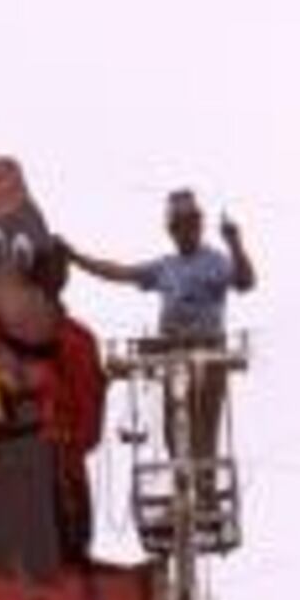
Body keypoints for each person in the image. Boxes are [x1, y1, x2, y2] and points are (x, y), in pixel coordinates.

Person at [64, 190, 256, 470]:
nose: (184, 231)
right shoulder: (166, 267)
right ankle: (182, 480)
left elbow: (245, 282)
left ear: (199, 226)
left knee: (203, 433)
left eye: (190, 224)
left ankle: (204, 486)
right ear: (172, 231)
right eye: (178, 226)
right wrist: (77, 259)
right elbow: (121, 272)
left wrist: (235, 244)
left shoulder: (215, 261)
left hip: (207, 353)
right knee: (174, 431)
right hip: (172, 353)